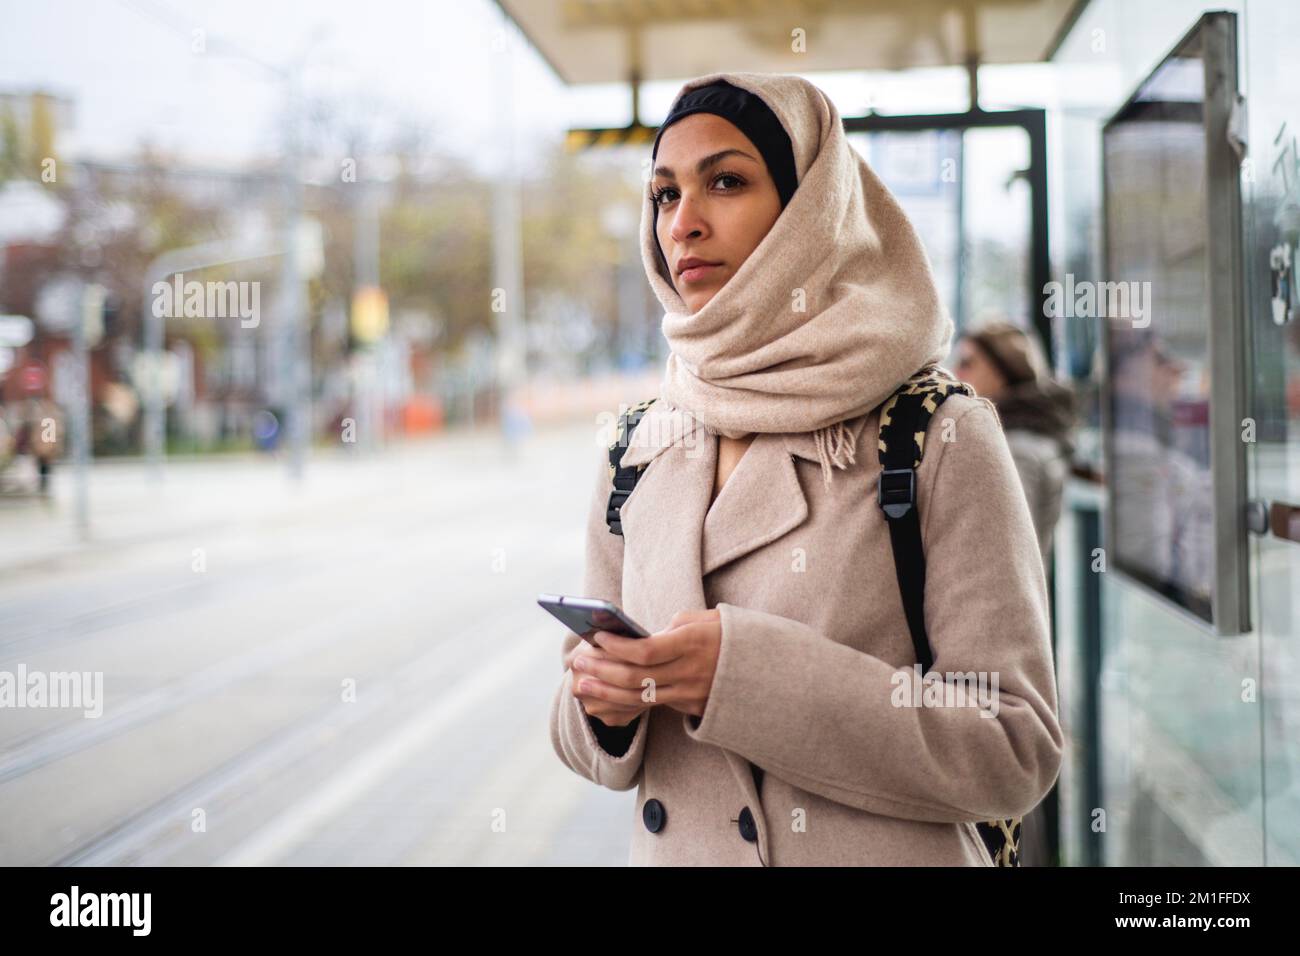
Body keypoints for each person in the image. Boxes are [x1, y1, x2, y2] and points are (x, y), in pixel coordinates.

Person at [548, 72, 1062, 866]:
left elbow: (1013, 746)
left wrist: (744, 676)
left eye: (726, 181)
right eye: (663, 194)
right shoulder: (637, 446)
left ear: (809, 207)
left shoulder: (938, 433)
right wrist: (604, 706)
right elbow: (581, 731)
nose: (683, 223)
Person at [955, 319, 1079, 866]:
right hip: (1025, 633)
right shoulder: (1025, 439)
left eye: (969, 364)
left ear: (1003, 375)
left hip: (1008, 634)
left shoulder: (1017, 451)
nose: (956, 375)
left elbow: (995, 555)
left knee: (1016, 795)